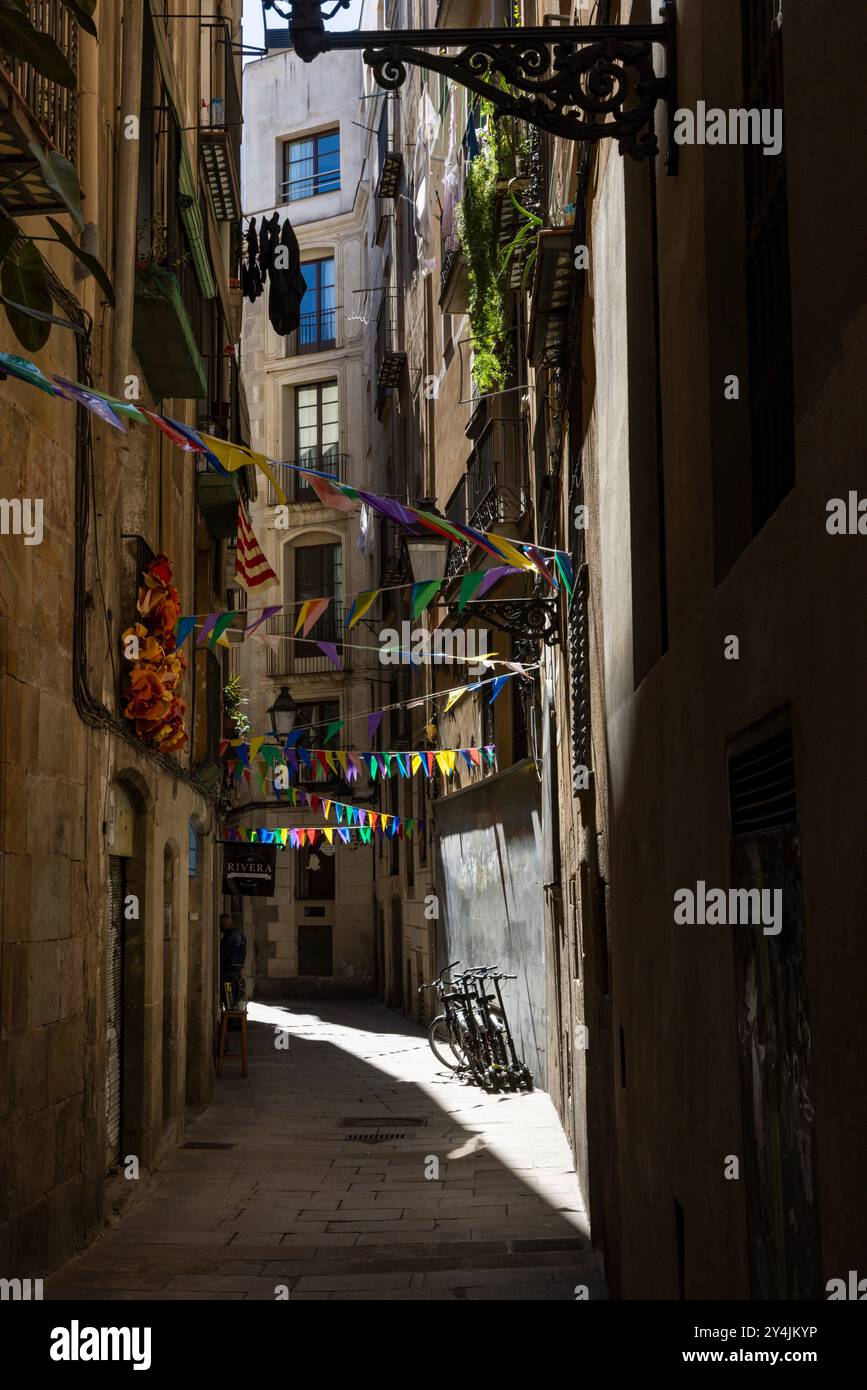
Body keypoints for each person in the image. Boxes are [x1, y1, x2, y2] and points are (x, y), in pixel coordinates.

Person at [219, 913, 247, 1014]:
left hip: (228, 975)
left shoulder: (228, 938)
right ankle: (236, 1022)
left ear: (224, 923)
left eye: (220, 924)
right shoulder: (241, 936)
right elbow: (244, 955)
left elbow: (222, 955)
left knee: (229, 1001)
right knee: (238, 999)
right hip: (238, 973)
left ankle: (232, 1024)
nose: (219, 927)